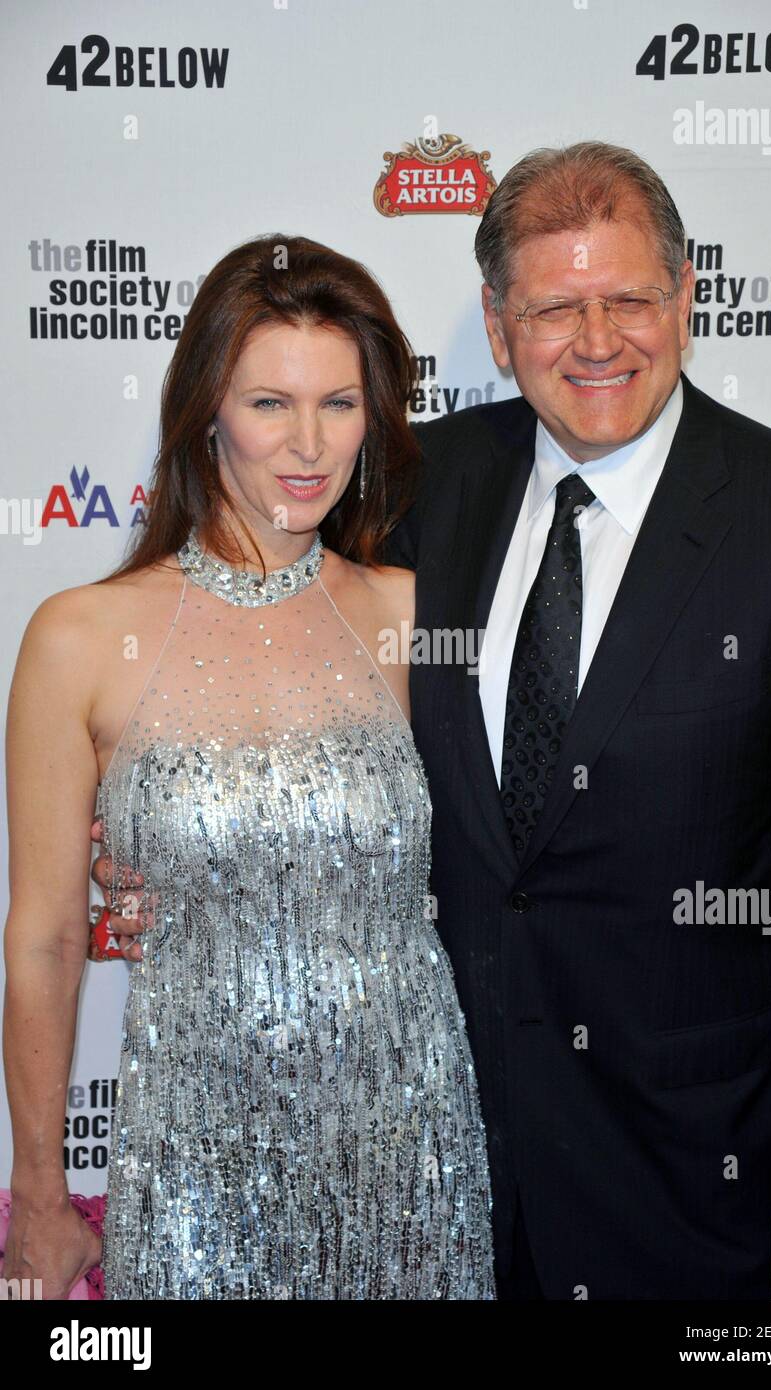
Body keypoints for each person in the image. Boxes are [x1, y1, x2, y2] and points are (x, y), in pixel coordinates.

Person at [98, 142, 771, 1301]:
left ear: (687, 299)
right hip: (437, 1172)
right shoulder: (413, 487)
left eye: (629, 300)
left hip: (702, 1190)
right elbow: (276, 682)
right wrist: (167, 853)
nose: (597, 340)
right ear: (500, 331)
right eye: (556, 308)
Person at [3, 233, 496, 1300]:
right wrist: (39, 1191)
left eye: (341, 403)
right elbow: (43, 935)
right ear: (205, 411)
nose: (308, 444)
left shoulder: (412, 618)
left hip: (409, 1156)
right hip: (190, 1166)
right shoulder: (79, 637)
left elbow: (508, 865)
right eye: (270, 402)